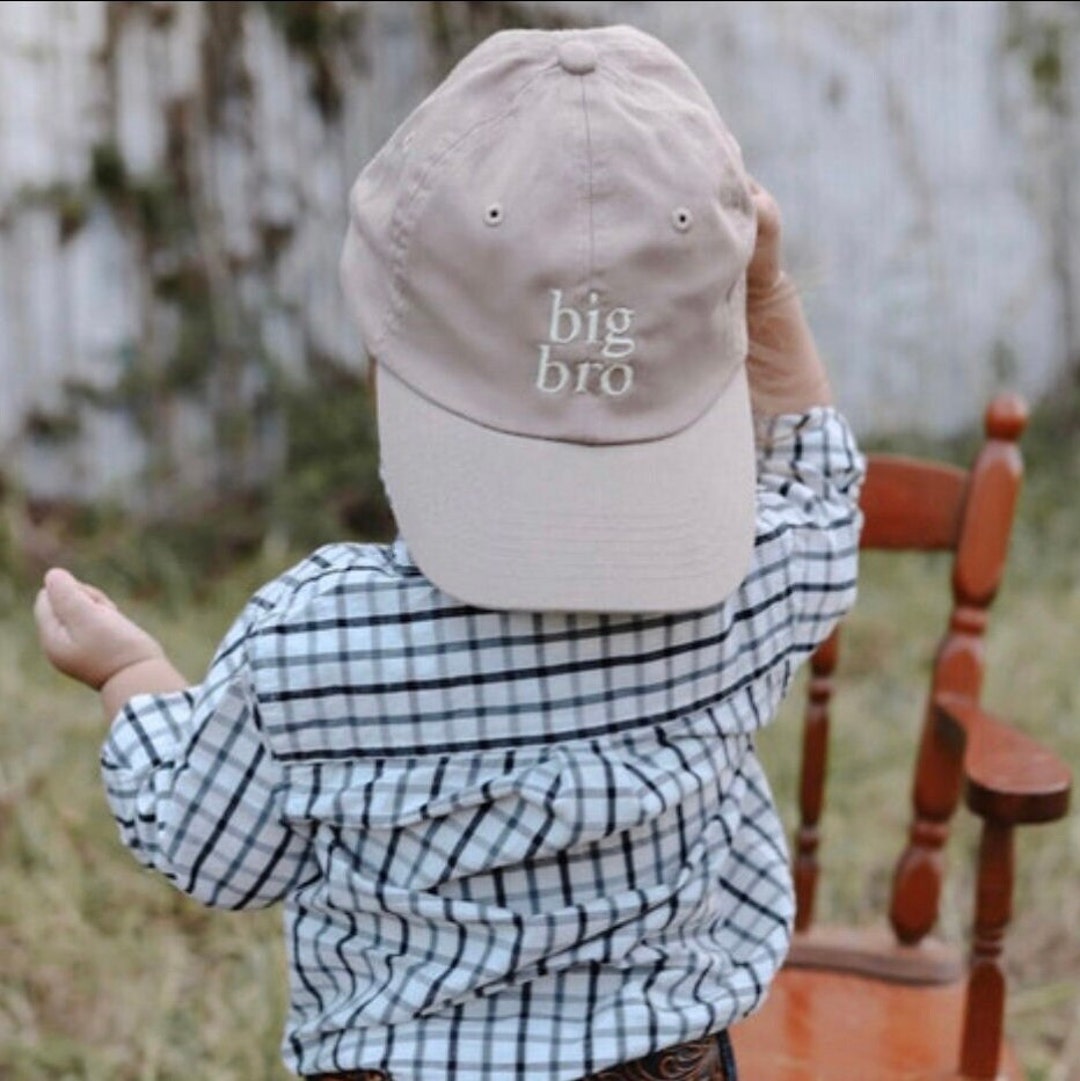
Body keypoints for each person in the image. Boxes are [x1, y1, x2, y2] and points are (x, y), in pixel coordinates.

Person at [34, 24, 863, 1081]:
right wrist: (773, 302)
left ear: (386, 352)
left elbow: (210, 849)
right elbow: (822, 499)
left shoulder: (315, 638)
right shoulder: (752, 582)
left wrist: (129, 673)